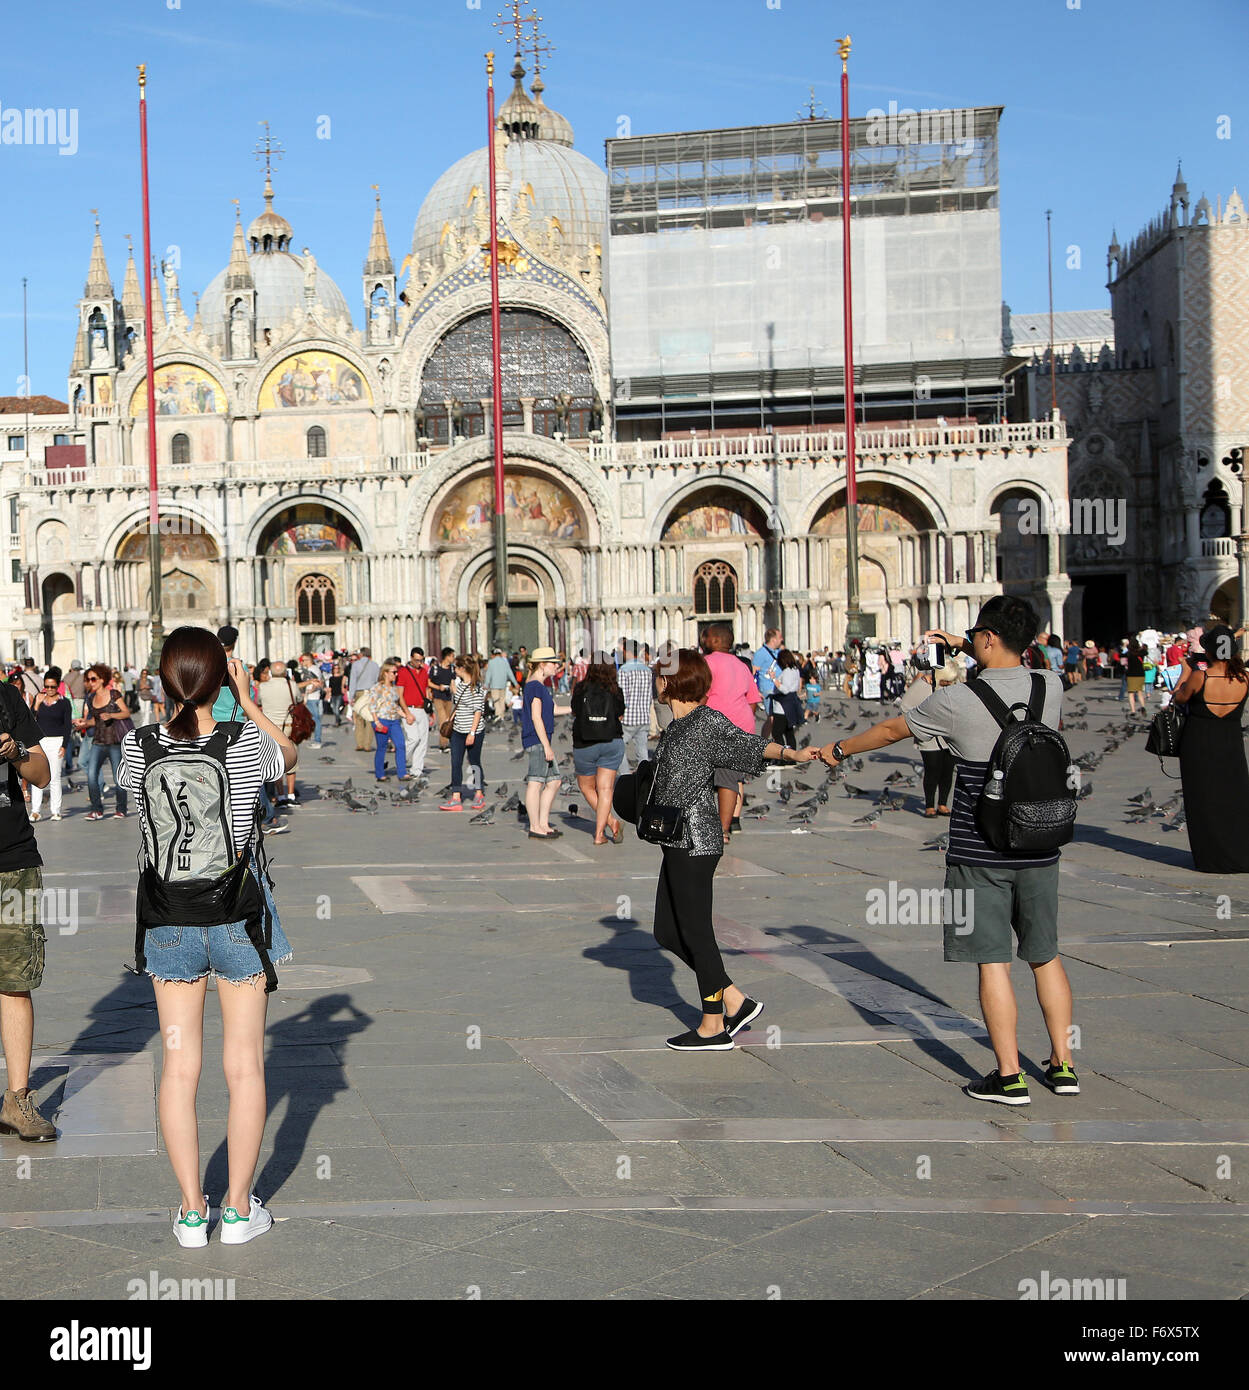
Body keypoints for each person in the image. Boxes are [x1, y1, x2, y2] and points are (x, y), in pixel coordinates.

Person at [817, 595, 1079, 1107]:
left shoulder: (959, 699)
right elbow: (1015, 666)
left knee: (992, 962)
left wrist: (839, 749)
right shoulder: (1052, 686)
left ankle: (1009, 1076)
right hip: (1041, 842)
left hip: (980, 848)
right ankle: (1063, 1065)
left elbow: (895, 728)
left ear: (987, 638)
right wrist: (972, 643)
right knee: (1045, 957)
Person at [119, 627, 297, 1245]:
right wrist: (243, 698)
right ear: (219, 677)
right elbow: (291, 755)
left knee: (178, 1066)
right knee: (245, 1068)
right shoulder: (246, 742)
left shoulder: (137, 749)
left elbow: (141, 815)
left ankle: (193, 1212)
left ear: (162, 681)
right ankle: (241, 1210)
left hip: (169, 923)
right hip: (237, 922)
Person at [642, 648, 818, 1050]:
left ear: (669, 682)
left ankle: (712, 1024)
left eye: (659, 676)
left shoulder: (705, 723)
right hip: (675, 839)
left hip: (696, 841)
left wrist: (792, 753)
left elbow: (750, 745)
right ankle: (735, 1001)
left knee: (697, 933)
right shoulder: (676, 726)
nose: (656, 682)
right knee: (667, 931)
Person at [0, 680, 54, 1141]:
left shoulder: (4, 696)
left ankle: (17, 1100)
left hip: (12, 862)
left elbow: (42, 774)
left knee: (15, 981)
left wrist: (15, 750)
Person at [1171, 625, 1249, 874]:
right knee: (1233, 798)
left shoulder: (1200, 676)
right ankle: (1238, 854)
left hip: (1199, 743)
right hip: (1231, 743)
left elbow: (1179, 698)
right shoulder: (1245, 677)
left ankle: (1211, 857)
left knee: (1203, 798)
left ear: (1210, 651)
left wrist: (1185, 671)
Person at [701, 623, 762, 843]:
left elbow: (701, 695)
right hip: (740, 729)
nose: (702, 639)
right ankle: (724, 830)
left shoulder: (707, 662)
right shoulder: (741, 665)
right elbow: (753, 700)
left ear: (716, 641)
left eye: (705, 636)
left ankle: (714, 827)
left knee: (705, 779)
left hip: (715, 729)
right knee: (729, 780)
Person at [570, 660, 626, 844]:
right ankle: (599, 834)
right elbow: (620, 714)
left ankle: (611, 822)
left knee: (586, 787)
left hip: (585, 743)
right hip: (611, 741)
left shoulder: (580, 688)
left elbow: (575, 711)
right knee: (605, 788)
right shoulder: (614, 689)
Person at [521, 647, 571, 838]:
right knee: (535, 782)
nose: (556, 667)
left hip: (541, 740)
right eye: (553, 663)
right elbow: (536, 717)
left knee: (554, 781)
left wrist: (575, 708)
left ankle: (543, 822)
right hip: (537, 740)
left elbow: (554, 709)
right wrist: (547, 746)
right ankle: (534, 826)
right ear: (542, 665)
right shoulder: (535, 686)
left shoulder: (540, 686)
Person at [900, 661, 957, 817]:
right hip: (929, 738)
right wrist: (921, 723)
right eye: (946, 681)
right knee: (932, 770)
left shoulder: (953, 685)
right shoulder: (922, 685)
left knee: (947, 771)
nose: (949, 684)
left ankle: (943, 804)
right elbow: (905, 706)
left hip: (949, 736)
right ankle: (930, 805)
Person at [77, 662, 132, 820]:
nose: (90, 682)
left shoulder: (113, 694)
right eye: (88, 679)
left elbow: (126, 713)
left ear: (102, 679)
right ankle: (96, 809)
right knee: (92, 775)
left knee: (118, 778)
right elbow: (96, 721)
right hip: (98, 741)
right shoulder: (91, 698)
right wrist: (84, 723)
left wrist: (111, 715)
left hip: (114, 742)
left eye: (93, 679)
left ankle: (121, 809)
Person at [441, 656, 488, 810]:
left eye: (456, 667)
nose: (454, 670)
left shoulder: (477, 688)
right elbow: (458, 705)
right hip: (457, 730)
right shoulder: (460, 686)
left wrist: (472, 733)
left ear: (462, 669)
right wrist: (450, 720)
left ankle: (479, 793)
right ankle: (456, 797)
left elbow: (477, 712)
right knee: (456, 762)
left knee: (474, 762)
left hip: (474, 731)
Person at [257, 661, 299, 804]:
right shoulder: (292, 685)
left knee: (275, 760)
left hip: (270, 728)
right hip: (288, 726)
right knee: (292, 761)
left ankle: (280, 794)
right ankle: (291, 794)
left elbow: (259, 702)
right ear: (285, 672)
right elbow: (298, 700)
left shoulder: (263, 687)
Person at [31, 672, 71, 822]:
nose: (49, 689)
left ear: (58, 686)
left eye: (52, 686)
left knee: (54, 777)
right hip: (40, 742)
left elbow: (67, 726)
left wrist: (65, 745)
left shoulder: (64, 703)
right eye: (46, 686)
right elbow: (29, 719)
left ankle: (56, 810)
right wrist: (36, 705)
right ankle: (35, 811)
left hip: (57, 741)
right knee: (37, 776)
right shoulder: (39, 699)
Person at [369, 660, 414, 782]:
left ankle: (402, 773)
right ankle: (380, 774)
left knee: (400, 745)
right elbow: (372, 705)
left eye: (396, 672)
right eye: (393, 672)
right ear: (385, 673)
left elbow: (395, 706)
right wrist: (376, 721)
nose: (396, 674)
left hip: (394, 721)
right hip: (382, 720)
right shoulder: (377, 687)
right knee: (382, 747)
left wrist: (406, 716)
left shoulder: (395, 688)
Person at [617, 640, 653, 771]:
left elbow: (620, 696)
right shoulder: (647, 670)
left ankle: (625, 776)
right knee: (642, 751)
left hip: (628, 718)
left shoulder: (624, 670)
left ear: (627, 652)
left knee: (618, 748)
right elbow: (649, 696)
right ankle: (644, 780)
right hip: (643, 717)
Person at [396, 648, 432, 778]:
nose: (419, 663)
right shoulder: (403, 672)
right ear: (411, 658)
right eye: (417, 660)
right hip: (409, 708)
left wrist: (430, 712)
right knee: (413, 738)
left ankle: (416, 770)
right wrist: (407, 713)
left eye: (421, 660)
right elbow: (400, 695)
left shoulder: (424, 672)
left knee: (422, 741)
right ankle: (401, 758)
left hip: (422, 709)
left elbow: (426, 690)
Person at [769, 649, 804, 749]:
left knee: (777, 732)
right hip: (791, 704)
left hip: (782, 706)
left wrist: (774, 679)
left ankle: (782, 756)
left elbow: (784, 689)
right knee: (789, 733)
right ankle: (791, 757)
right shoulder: (796, 670)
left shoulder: (787, 672)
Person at [348, 646, 380, 751]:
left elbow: (352, 681)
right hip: (371, 693)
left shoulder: (356, 665)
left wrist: (351, 696)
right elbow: (377, 681)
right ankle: (367, 744)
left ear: (361, 654)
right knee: (370, 718)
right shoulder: (375, 665)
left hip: (359, 693)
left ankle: (359, 743)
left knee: (359, 718)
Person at [752, 629, 782, 736]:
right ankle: (764, 743)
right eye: (780, 637)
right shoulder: (760, 653)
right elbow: (754, 673)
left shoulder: (779, 652)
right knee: (772, 717)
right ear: (773, 640)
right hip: (768, 688)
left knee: (779, 717)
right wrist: (755, 690)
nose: (781, 639)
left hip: (779, 687)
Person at [427, 648, 456, 753]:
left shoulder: (452, 669)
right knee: (442, 719)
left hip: (448, 697)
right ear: (447, 656)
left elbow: (453, 683)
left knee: (448, 720)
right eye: (452, 656)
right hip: (438, 696)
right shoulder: (435, 668)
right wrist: (438, 687)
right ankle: (444, 744)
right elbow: (428, 682)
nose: (453, 658)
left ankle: (444, 741)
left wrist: (456, 694)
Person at [296, 654, 324, 748]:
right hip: (311, 697)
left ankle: (317, 741)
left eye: (303, 660)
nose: (302, 662)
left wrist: (309, 691)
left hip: (312, 697)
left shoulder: (313, 669)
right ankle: (315, 739)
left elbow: (317, 682)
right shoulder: (312, 669)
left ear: (309, 660)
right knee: (313, 719)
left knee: (315, 719)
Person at [483, 647, 514, 723]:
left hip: (494, 685)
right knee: (502, 701)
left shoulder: (491, 662)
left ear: (494, 654)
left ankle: (498, 716)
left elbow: (488, 674)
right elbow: (510, 673)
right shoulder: (505, 662)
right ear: (500, 654)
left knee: (496, 701)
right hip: (503, 684)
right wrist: (515, 683)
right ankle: (502, 716)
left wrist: (486, 684)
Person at [1124, 639, 1146, 715]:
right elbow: (1146, 651)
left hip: (1131, 674)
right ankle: (1143, 706)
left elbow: (1122, 655)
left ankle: (1133, 710)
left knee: (1131, 693)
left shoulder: (1129, 653)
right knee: (1140, 692)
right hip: (1140, 674)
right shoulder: (1142, 653)